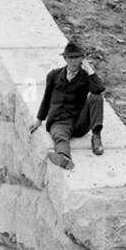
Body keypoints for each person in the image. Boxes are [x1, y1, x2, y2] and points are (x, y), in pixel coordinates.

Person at [30, 42, 105, 170]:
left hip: (79, 121)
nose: (74, 61)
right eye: (71, 58)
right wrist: (39, 120)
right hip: (59, 121)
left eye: (77, 57)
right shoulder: (54, 75)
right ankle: (64, 158)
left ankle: (96, 137)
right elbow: (46, 98)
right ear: (65, 59)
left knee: (96, 97)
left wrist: (90, 72)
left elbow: (99, 89)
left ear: (82, 59)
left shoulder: (86, 77)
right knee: (59, 137)